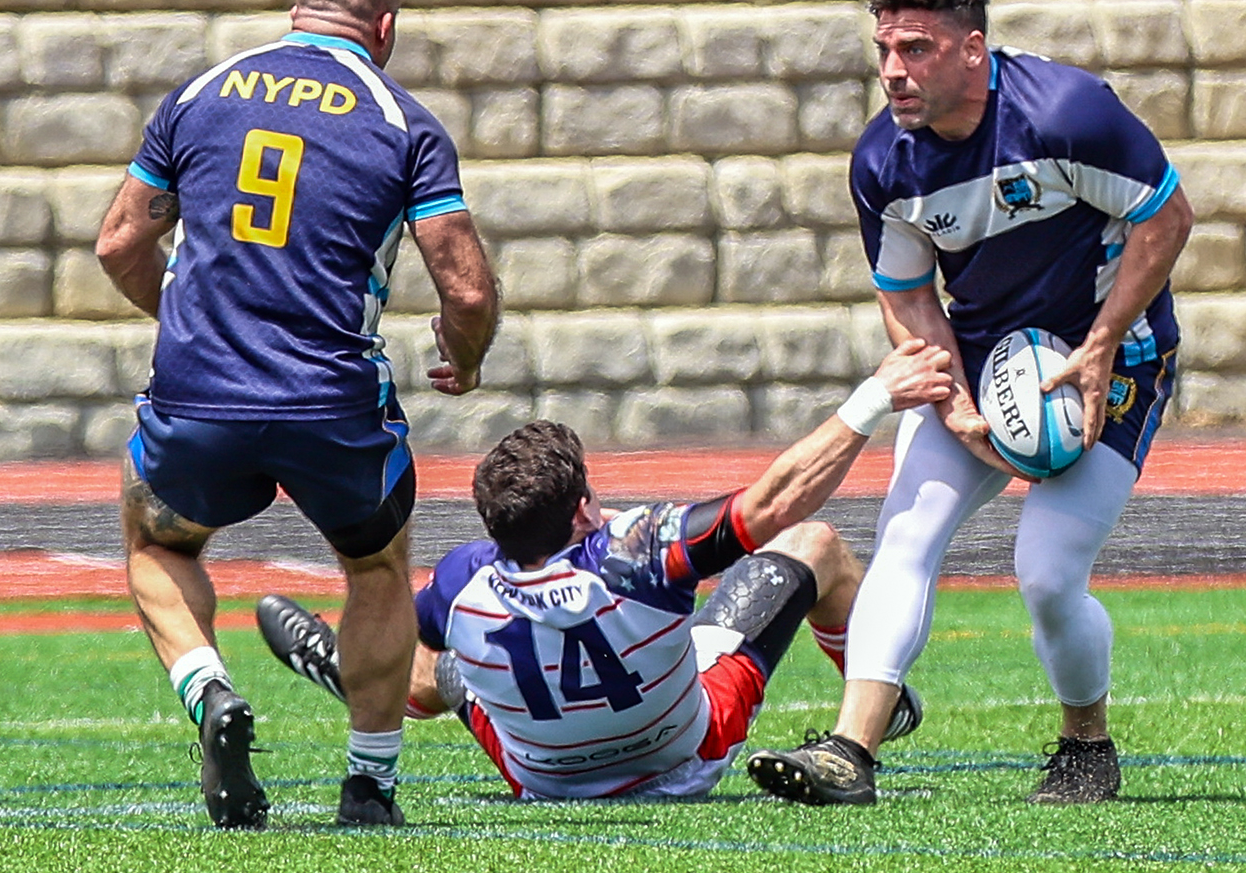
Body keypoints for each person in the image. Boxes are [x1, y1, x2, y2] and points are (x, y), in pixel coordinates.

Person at [746, 0, 1194, 806]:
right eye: (884, 50)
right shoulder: (883, 161)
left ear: (974, 50)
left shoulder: (1067, 115)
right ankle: (851, 751)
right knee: (906, 530)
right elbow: (908, 294)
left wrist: (1100, 346)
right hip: (982, 360)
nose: (893, 70)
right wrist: (951, 395)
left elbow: (1166, 218)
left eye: (916, 49)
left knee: (1048, 573)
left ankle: (1086, 745)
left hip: (1115, 360)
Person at [95, 0, 499, 828]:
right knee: (376, 566)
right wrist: (465, 361)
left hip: (199, 390)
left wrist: (187, 323)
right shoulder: (403, 122)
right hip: (332, 400)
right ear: (384, 27)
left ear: (295, 9)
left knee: (158, 543)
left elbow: (119, 242)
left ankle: (211, 690)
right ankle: (369, 785)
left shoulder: (201, 94)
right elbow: (466, 291)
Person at [256, 338, 953, 799]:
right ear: (582, 508)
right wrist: (874, 396)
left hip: (542, 779)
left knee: (435, 660)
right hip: (682, 753)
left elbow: (402, 624)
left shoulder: (463, 576)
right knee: (815, 543)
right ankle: (877, 705)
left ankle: (358, 675)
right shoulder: (635, 551)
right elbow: (775, 501)